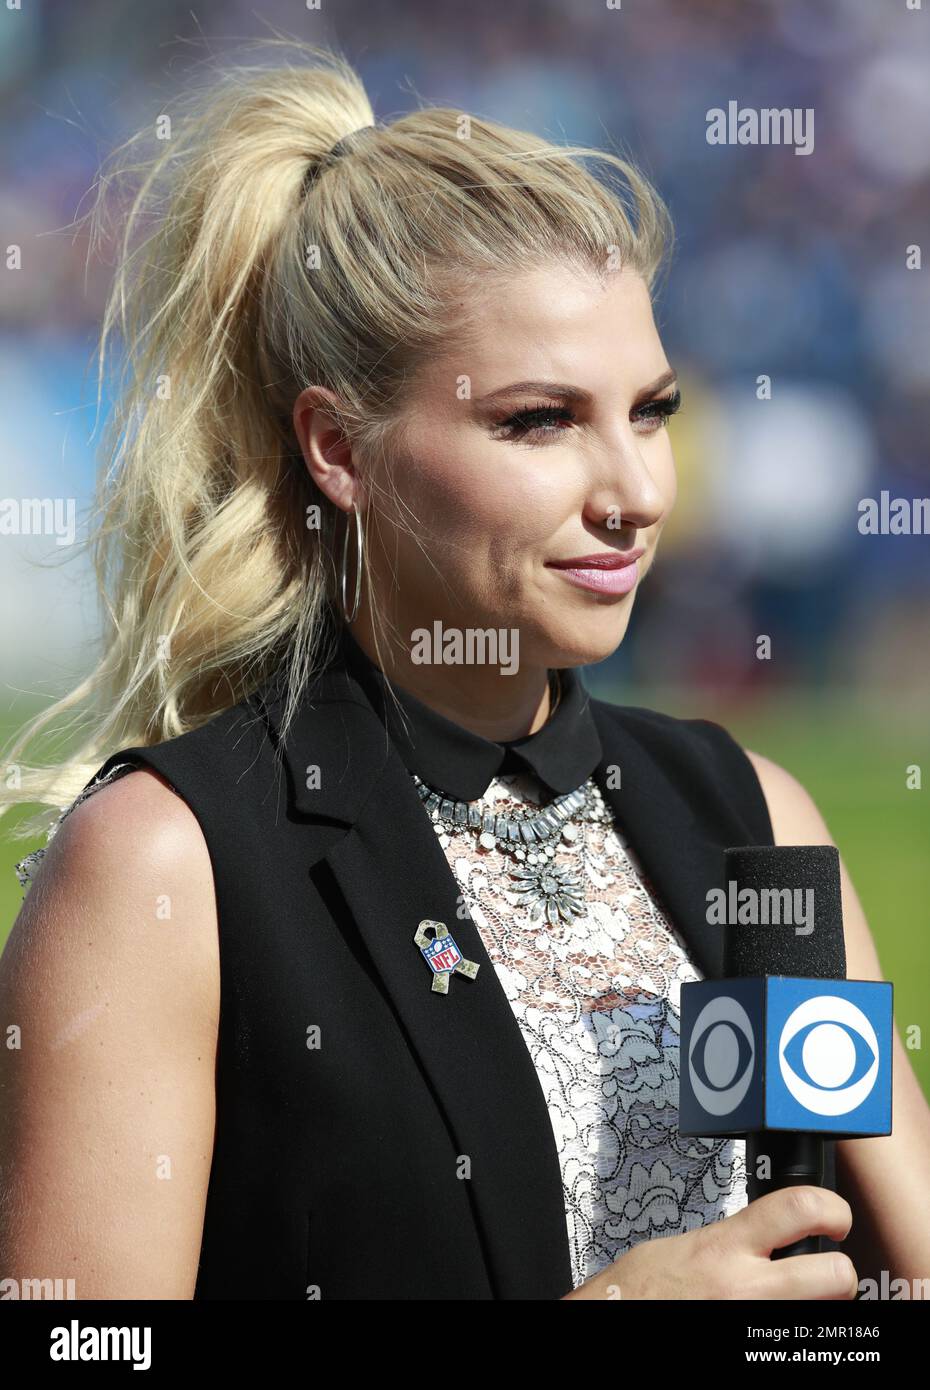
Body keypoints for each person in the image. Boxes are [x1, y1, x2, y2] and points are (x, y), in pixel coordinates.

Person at [1, 40, 928, 1302]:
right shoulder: (168, 859)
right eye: (539, 421)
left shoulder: (748, 816)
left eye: (651, 411)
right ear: (339, 447)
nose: (637, 492)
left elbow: (884, 1264)